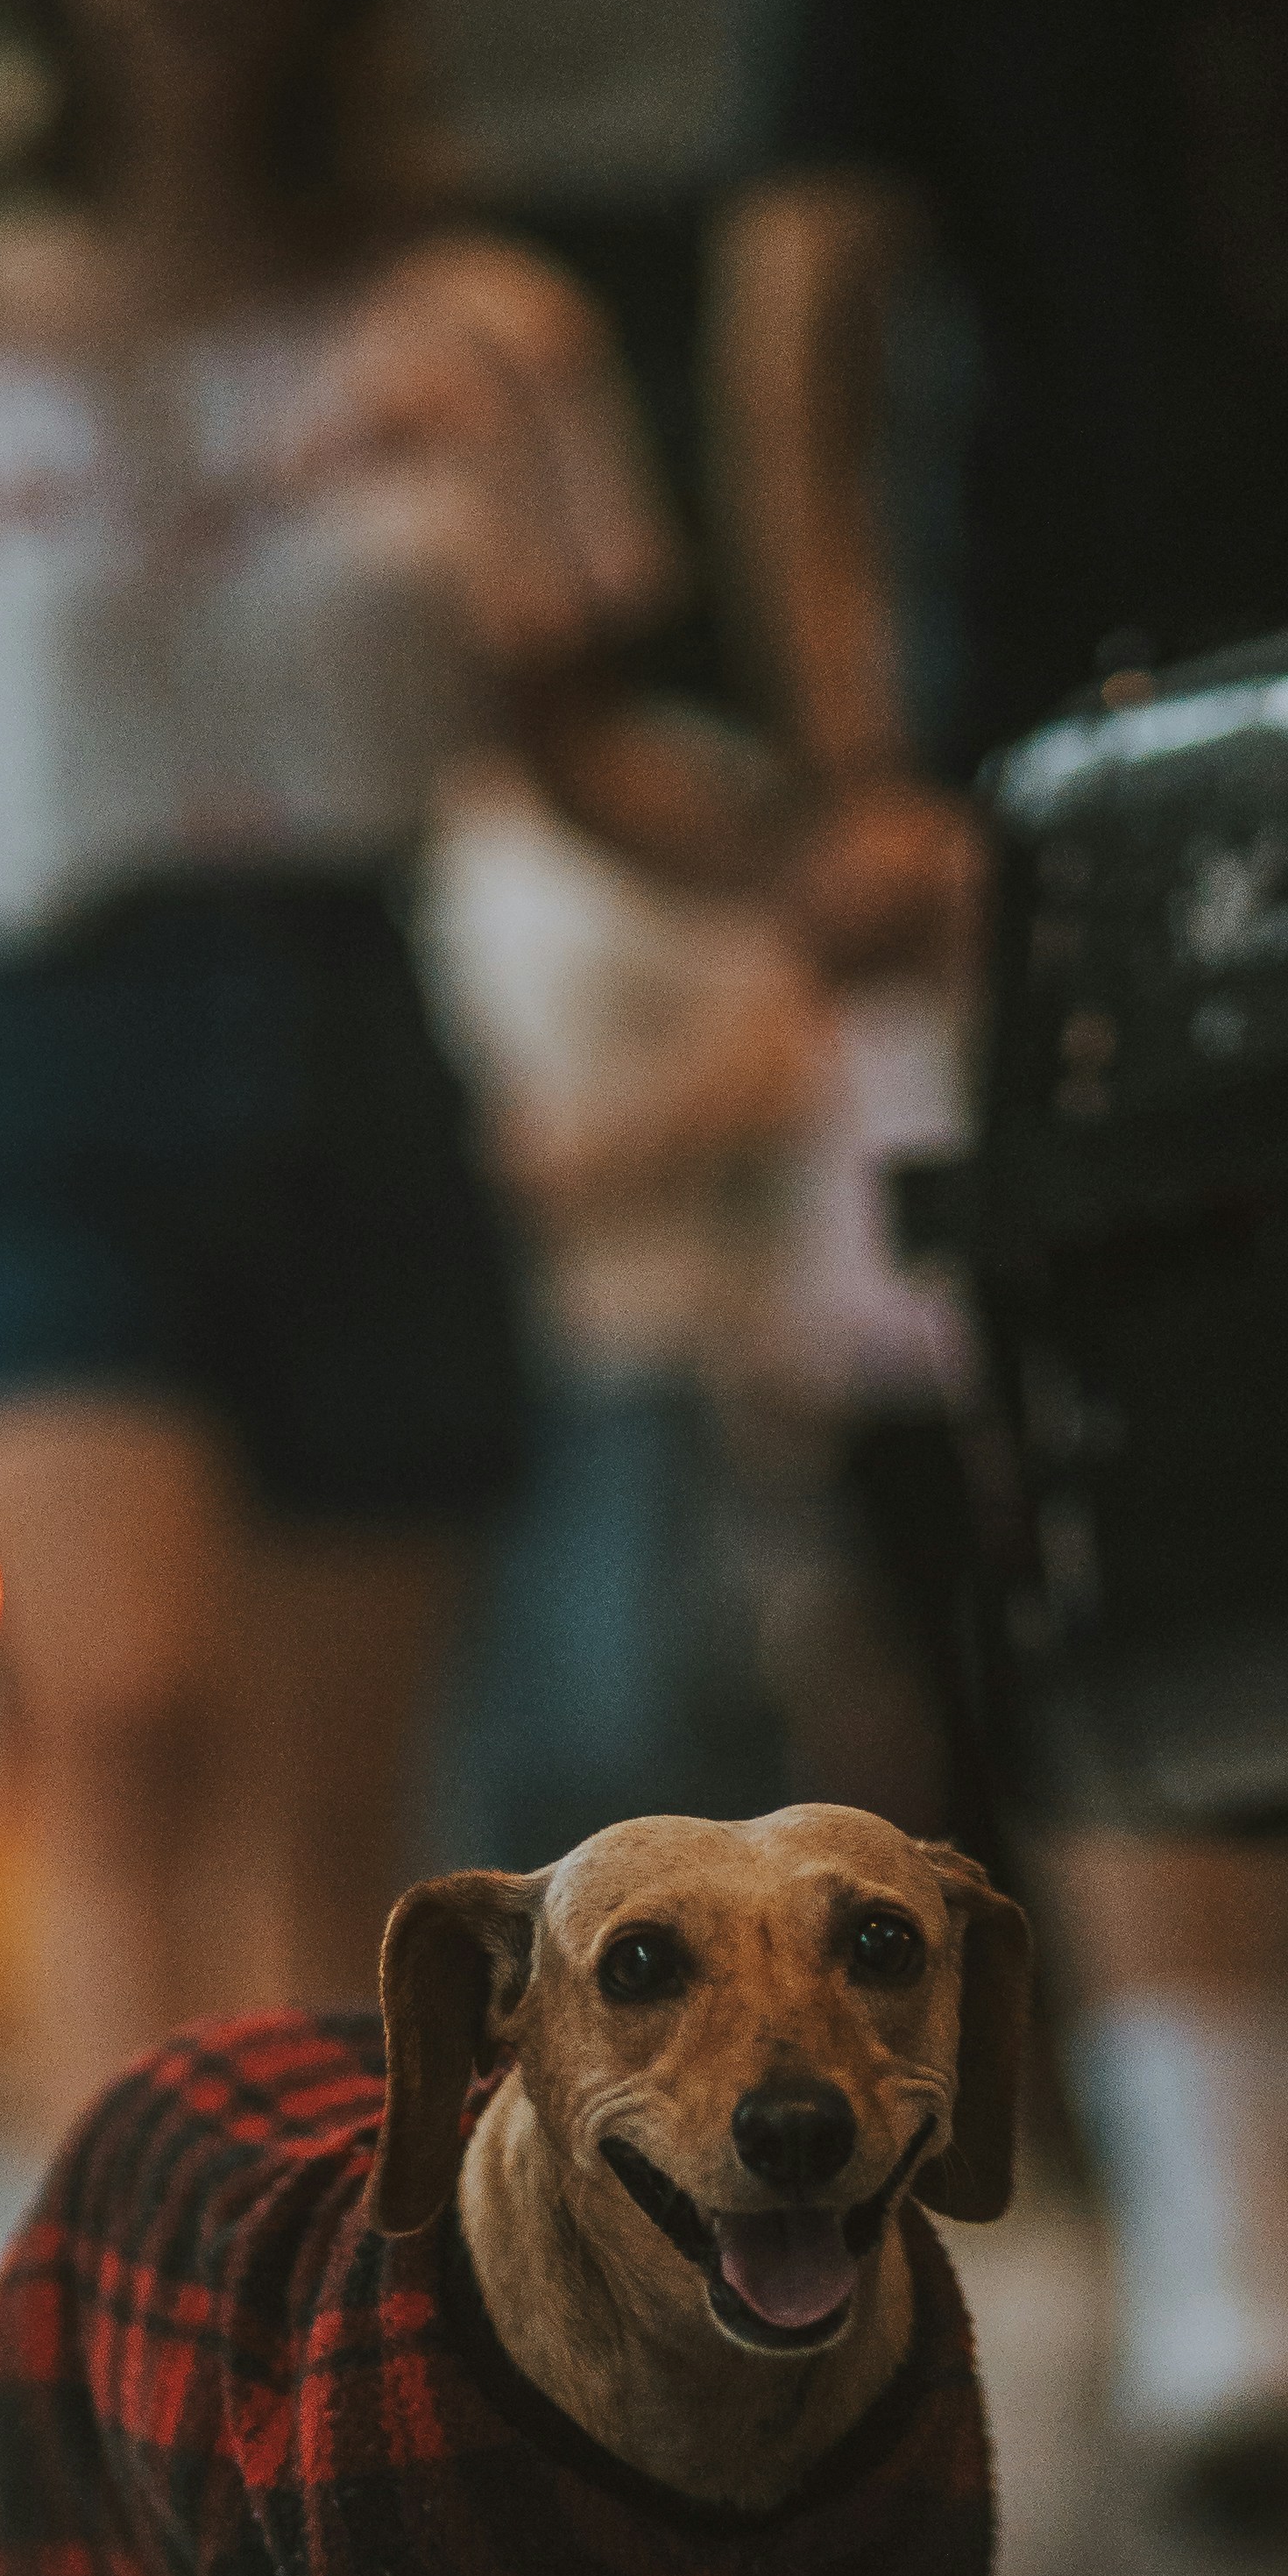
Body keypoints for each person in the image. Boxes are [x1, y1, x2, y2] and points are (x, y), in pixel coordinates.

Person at [0, 0, 771, 2129]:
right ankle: (132, 2326)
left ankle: (311, 2356)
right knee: (120, 1710)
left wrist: (833, 837)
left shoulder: (477, 335)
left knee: (329, 1820)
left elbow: (584, 753)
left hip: (356, 1026)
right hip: (47, 1052)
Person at [718, 0, 1288, 2520]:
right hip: (1055, 749)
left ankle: (1276, 2163)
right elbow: (801, 300)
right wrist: (853, 748)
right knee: (1122, 1473)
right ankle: (1225, 2209)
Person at [420, 755, 821, 1868]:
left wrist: (585, 1152)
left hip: (638, 1332)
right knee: (471, 1749)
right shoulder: (388, 812)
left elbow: (782, 1038)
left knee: (634, 1720)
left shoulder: (664, 793)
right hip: (438, 1352)